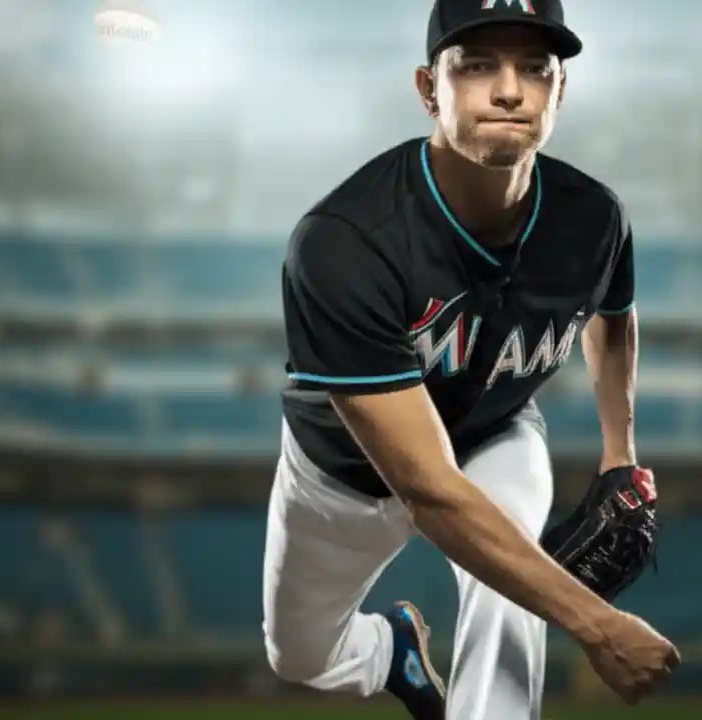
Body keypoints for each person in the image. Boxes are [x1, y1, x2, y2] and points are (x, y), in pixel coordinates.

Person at [262, 1, 679, 718]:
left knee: (510, 584)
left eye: (534, 69)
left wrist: (621, 453)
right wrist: (600, 624)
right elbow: (428, 490)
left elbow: (613, 317)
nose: (510, 90)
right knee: (300, 656)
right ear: (430, 89)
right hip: (343, 473)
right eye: (478, 65)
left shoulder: (594, 217)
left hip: (494, 433)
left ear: (560, 91)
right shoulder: (345, 242)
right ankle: (390, 649)